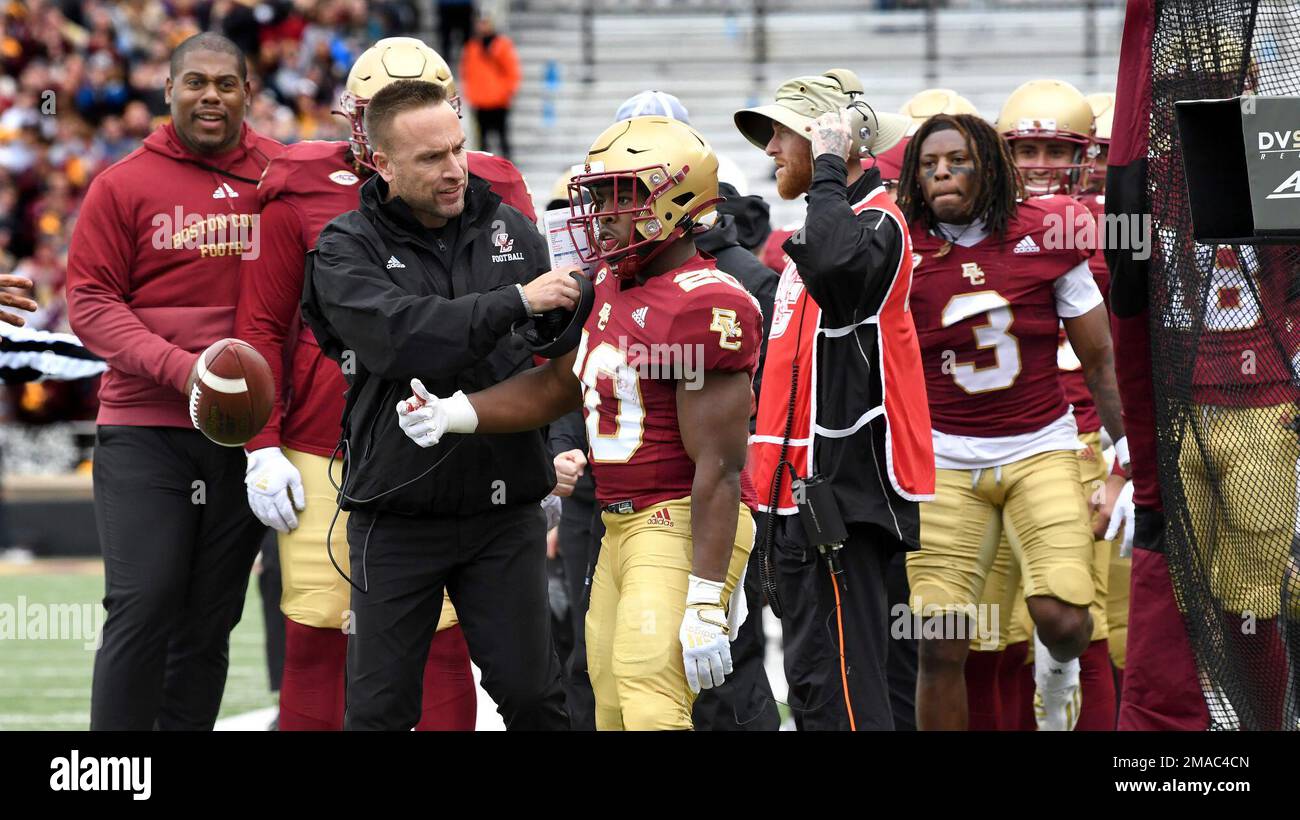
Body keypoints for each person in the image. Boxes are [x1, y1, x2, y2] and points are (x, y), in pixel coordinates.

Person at [396, 115, 764, 730]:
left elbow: (720, 469)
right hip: (617, 526)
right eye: (602, 195)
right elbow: (560, 385)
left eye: (622, 195)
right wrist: (455, 412)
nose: (602, 212)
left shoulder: (706, 301)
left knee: (651, 695)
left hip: (678, 518)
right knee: (610, 705)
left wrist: (705, 594)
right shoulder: (614, 282)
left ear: (673, 197)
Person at [235, 36, 542, 731]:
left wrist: (543, 443)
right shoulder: (296, 186)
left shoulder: (494, 188)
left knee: (449, 646)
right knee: (316, 636)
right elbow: (260, 326)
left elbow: (534, 344)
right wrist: (261, 444)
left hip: (465, 447)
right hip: (325, 441)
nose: (448, 162)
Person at [301, 78, 572, 731]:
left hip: (502, 511)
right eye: (430, 158)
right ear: (382, 164)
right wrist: (516, 302)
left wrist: (561, 448)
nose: (454, 170)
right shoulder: (344, 246)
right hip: (394, 515)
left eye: (458, 149)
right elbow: (401, 338)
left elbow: (557, 361)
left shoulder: (512, 230)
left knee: (536, 699)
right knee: (379, 711)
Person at [67, 32, 282, 730]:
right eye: (195, 82)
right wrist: (186, 370)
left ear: (249, 93)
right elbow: (91, 303)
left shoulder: (282, 177)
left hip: (244, 439)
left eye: (226, 83)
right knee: (144, 601)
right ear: (167, 91)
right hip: (146, 428)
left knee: (210, 618)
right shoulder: (120, 184)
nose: (211, 95)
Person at [896, 112, 1128, 731]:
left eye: (958, 160)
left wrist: (1126, 458)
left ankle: (1060, 666)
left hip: (1040, 446)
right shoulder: (897, 246)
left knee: (1064, 616)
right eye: (929, 163)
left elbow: (1100, 358)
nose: (942, 172)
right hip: (943, 457)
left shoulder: (1049, 232)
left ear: (990, 168)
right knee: (939, 639)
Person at [733, 69, 935, 731]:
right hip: (801, 502)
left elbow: (840, 267)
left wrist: (826, 166)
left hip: (841, 503)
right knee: (826, 691)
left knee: (844, 698)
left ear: (837, 139)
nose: (769, 150)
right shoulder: (828, 231)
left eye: (783, 133)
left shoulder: (876, 223)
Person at [991, 78, 1119, 730]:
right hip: (996, 448)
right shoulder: (978, 230)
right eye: (1026, 150)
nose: (1039, 165)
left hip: (1087, 446)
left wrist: (1122, 462)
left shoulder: (1109, 231)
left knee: (1089, 622)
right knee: (995, 632)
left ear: (1085, 157)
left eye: (1054, 150)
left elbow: (1117, 360)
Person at [458, 14, 520, 160]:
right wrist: (472, 95)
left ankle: (507, 166)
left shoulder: (502, 46)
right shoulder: (472, 47)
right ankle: (485, 168)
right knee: (483, 140)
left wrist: (505, 92)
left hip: (499, 101)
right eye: (481, 23)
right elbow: (467, 73)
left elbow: (512, 71)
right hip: (480, 101)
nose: (483, 27)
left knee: (502, 137)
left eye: (485, 23)